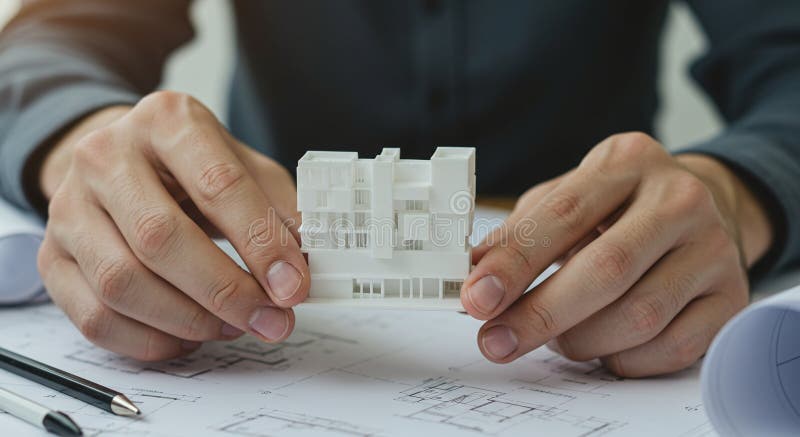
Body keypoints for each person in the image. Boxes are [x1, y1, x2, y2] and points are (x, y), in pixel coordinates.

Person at [0, 1, 798, 377]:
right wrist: (84, 144)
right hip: (266, 269)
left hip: (596, 270)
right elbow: (56, 34)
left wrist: (733, 193)